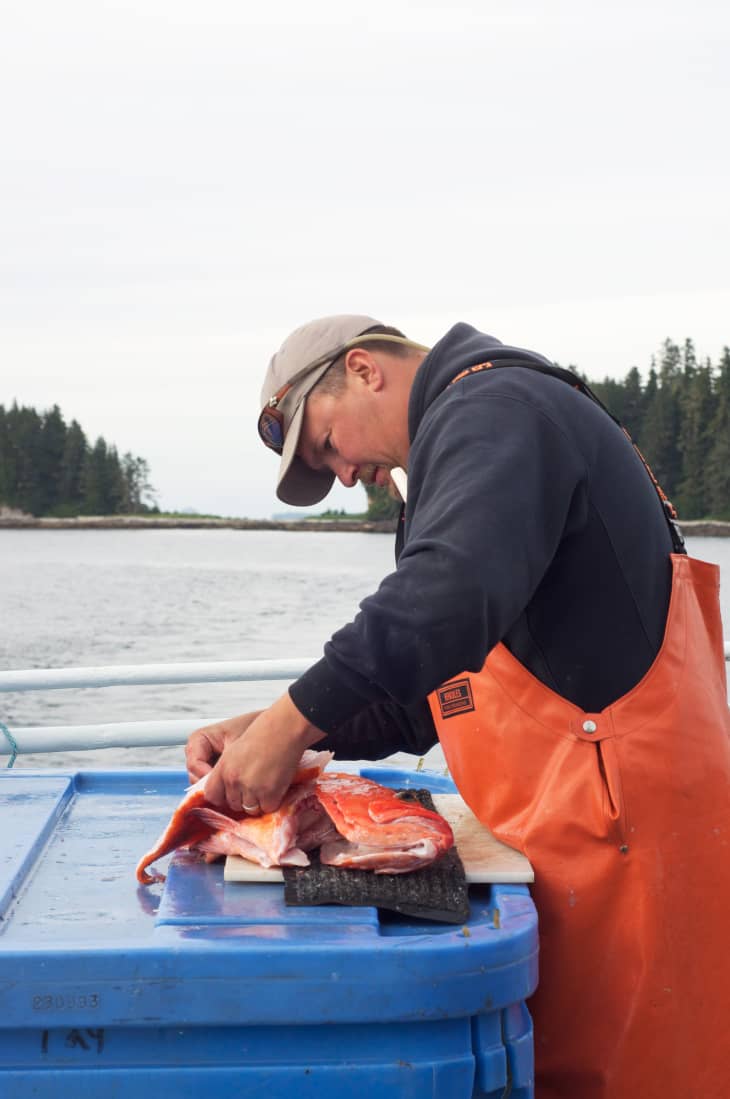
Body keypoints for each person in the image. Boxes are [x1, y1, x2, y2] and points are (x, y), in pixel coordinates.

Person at [186, 314, 730, 1099]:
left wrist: (289, 721)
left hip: (634, 846)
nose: (341, 475)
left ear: (365, 369)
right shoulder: (462, 458)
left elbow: (447, 598)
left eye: (326, 444)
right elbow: (429, 697)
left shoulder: (496, 409)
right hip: (570, 847)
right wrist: (289, 728)